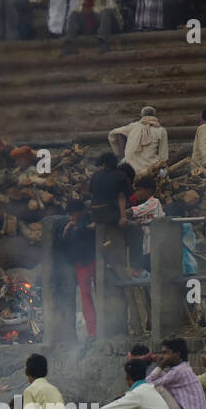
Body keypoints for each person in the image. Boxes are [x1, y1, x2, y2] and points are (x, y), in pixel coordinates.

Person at [145, 337, 206, 409]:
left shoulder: (178, 372)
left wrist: (161, 365)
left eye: (166, 353)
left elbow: (148, 384)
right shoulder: (183, 368)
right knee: (159, 375)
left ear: (177, 354)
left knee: (157, 388)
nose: (162, 356)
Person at [56, 200, 98, 338]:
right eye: (69, 215)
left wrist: (75, 229)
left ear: (81, 212)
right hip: (81, 264)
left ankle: (100, 328)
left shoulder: (90, 220)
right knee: (85, 296)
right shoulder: (70, 226)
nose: (71, 218)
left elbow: (88, 234)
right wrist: (66, 232)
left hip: (93, 261)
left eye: (73, 214)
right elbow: (64, 245)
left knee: (100, 293)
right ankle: (92, 331)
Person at [108, 106, 169, 177]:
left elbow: (112, 133)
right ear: (155, 116)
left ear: (141, 116)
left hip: (130, 167)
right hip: (151, 168)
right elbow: (164, 157)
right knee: (164, 172)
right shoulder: (161, 130)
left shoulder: (132, 126)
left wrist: (117, 152)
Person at [88, 151, 130, 228]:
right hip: (109, 215)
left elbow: (92, 195)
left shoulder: (95, 174)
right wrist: (123, 217)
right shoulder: (120, 175)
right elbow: (121, 197)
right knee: (130, 213)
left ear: (104, 164)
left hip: (95, 215)